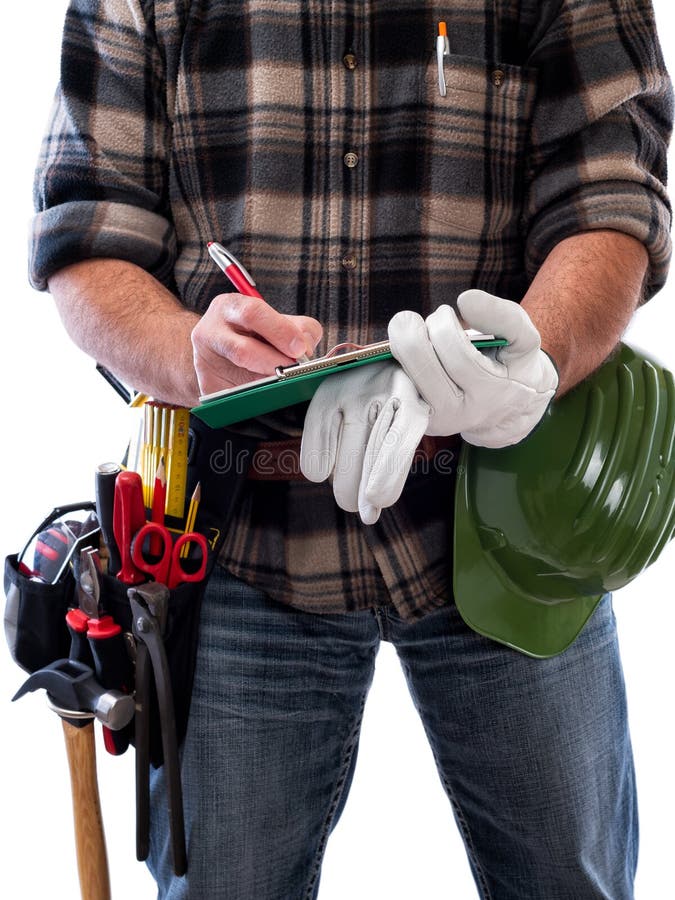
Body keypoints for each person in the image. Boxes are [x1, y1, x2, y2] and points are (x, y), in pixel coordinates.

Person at [28, 1, 671, 897]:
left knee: (574, 881)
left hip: (509, 514)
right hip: (241, 539)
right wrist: (189, 355)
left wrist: (536, 354)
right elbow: (84, 234)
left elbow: (612, 195)